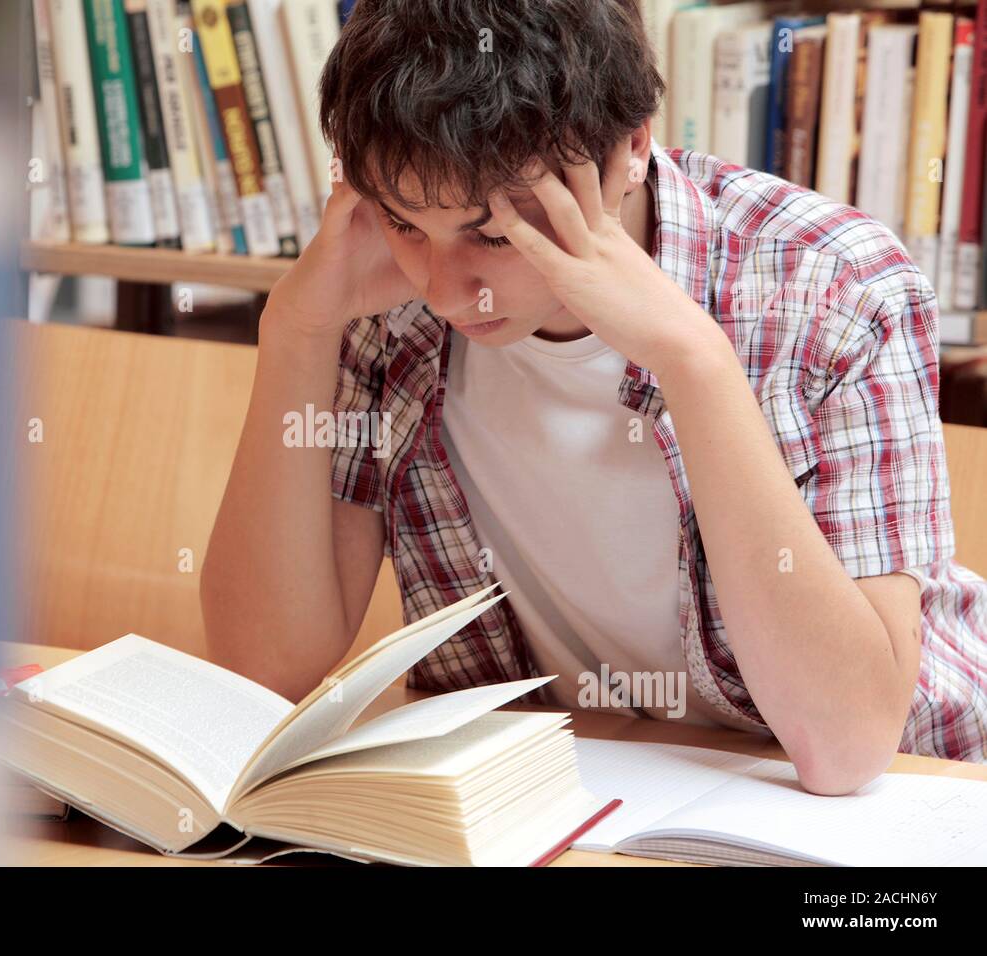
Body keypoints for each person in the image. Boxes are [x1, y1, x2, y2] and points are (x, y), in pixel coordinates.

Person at [200, 0, 987, 793]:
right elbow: (264, 669)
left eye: (496, 233)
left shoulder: (835, 287)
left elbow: (846, 748)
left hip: (892, 794)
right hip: (561, 791)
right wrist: (297, 327)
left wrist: (695, 365)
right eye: (408, 224)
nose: (443, 289)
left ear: (632, 146)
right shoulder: (382, 300)